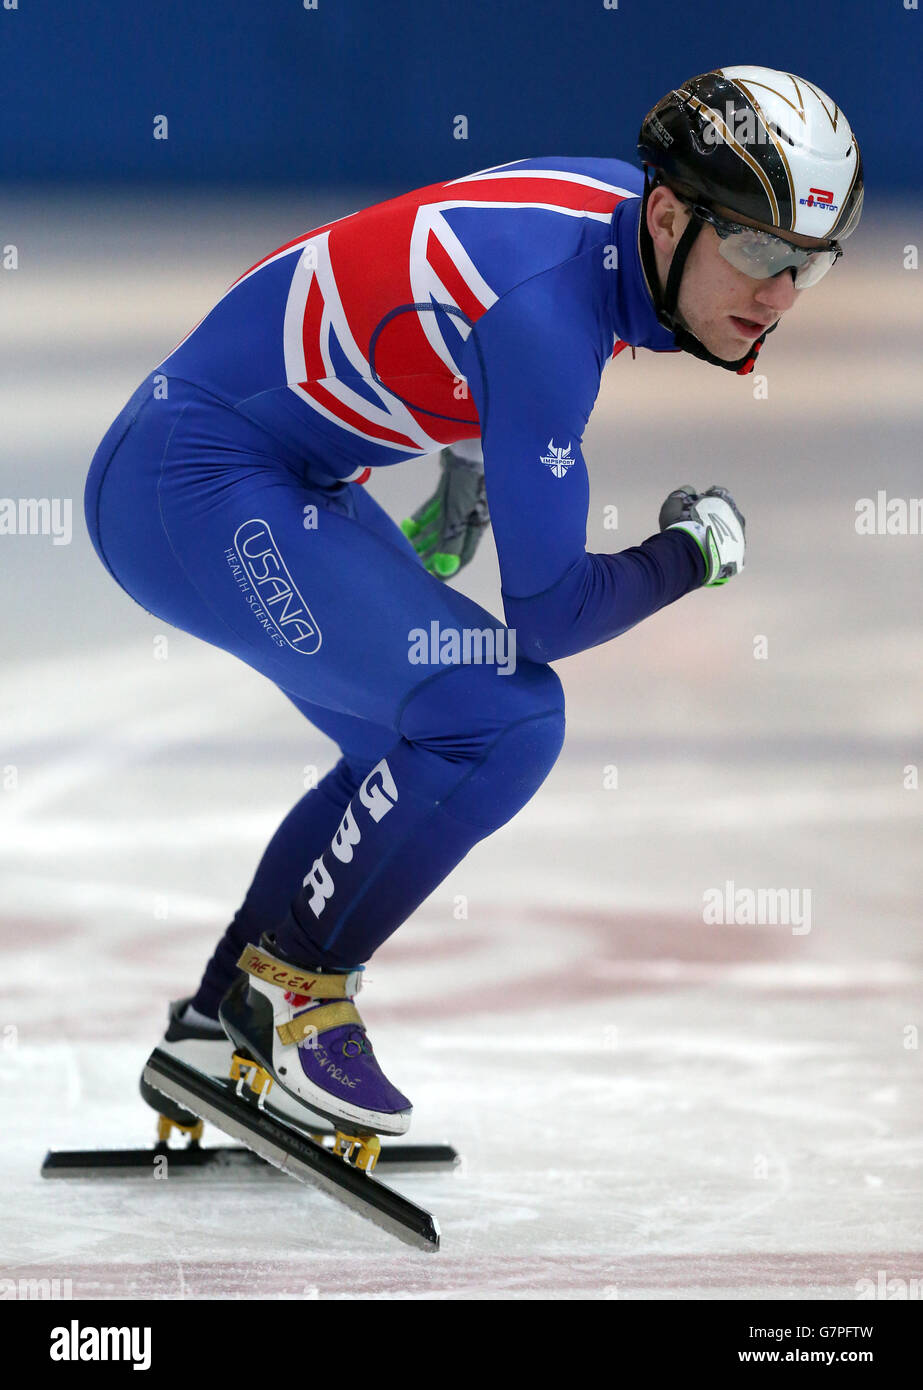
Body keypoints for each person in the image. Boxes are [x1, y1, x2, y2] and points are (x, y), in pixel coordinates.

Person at [83, 65, 863, 1140]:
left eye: (809, 267)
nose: (778, 297)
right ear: (675, 217)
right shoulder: (548, 315)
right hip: (193, 483)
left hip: (265, 464)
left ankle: (219, 1023)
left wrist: (463, 469)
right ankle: (293, 992)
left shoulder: (607, 224)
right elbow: (546, 615)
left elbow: (429, 276)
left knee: (410, 749)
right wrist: (692, 550)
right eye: (761, 252)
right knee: (502, 715)